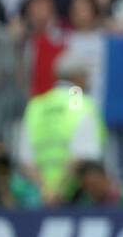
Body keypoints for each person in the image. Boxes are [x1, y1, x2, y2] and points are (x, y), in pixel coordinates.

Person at [17, 53, 105, 205]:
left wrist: (45, 190)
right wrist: (58, 192)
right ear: (78, 77)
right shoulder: (83, 105)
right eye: (86, 76)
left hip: (39, 197)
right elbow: (83, 158)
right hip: (73, 199)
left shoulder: (36, 106)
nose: (88, 81)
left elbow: (25, 160)